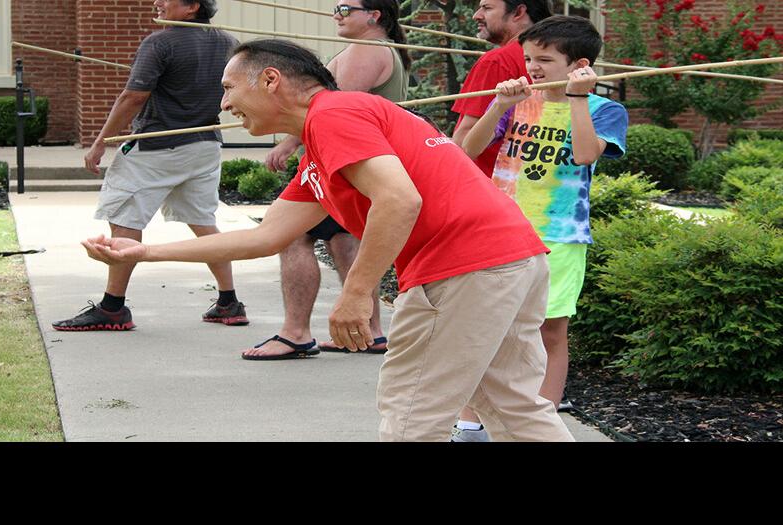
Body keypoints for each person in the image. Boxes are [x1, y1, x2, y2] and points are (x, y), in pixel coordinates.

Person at [82, 39, 575, 442]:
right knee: (514, 408)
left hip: (464, 267)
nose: (224, 104)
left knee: (411, 415)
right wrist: (145, 252)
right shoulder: (323, 146)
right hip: (513, 259)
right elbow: (265, 237)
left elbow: (398, 199)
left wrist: (356, 292)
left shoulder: (332, 115)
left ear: (270, 80)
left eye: (229, 88)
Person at [461, 15, 628, 439]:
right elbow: (467, 149)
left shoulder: (606, 110)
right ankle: (470, 423)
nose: (532, 68)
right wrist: (498, 105)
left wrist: (577, 99)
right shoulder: (519, 101)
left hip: (561, 236)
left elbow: (586, 154)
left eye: (545, 60)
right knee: (485, 329)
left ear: (580, 65)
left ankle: (542, 424)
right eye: (529, 58)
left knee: (550, 331)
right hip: (501, 230)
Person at [52, 0, 245, 332]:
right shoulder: (228, 43)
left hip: (156, 147)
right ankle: (229, 302)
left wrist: (100, 141)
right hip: (204, 146)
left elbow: (133, 97)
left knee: (125, 218)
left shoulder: (160, 42)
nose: (157, 1)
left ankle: (113, 308)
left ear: (192, 6)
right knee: (203, 222)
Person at [246, 0, 410, 361]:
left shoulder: (367, 50)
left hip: (345, 163)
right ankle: (369, 331)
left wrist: (288, 143)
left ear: (374, 15)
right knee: (343, 240)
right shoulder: (378, 49)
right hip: (359, 164)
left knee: (292, 236)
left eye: (345, 8)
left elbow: (330, 107)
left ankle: (295, 333)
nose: (336, 14)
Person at [451, 0, 553, 177]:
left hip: (492, 183)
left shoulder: (497, 61)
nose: (476, 15)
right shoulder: (568, 61)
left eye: (487, 8)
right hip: (550, 186)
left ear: (518, 12)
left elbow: (462, 144)